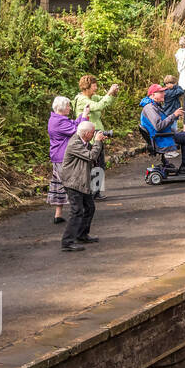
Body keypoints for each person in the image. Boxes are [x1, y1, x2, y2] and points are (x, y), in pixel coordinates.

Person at [60, 121, 106, 252]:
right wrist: (97, 142)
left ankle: (82, 235)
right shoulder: (75, 143)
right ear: (86, 133)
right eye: (92, 133)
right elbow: (91, 156)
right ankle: (67, 242)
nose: (93, 135)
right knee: (77, 211)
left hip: (82, 181)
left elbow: (96, 154)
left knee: (90, 207)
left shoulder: (83, 141)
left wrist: (100, 142)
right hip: (73, 182)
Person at [74, 74, 118, 197]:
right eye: (94, 86)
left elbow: (105, 101)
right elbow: (99, 106)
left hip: (97, 134)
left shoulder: (92, 96)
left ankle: (96, 191)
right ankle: (90, 191)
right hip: (88, 136)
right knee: (92, 163)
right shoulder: (82, 100)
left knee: (100, 164)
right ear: (87, 87)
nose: (96, 88)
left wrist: (113, 94)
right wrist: (109, 93)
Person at [48, 96, 88, 225]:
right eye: (68, 106)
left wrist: (83, 115)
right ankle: (76, 214)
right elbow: (78, 131)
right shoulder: (59, 122)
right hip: (63, 157)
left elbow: (74, 124)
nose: (70, 108)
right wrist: (84, 116)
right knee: (70, 185)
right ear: (63, 107)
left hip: (58, 156)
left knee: (59, 185)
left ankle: (58, 215)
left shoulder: (57, 119)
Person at [141, 84, 185, 164]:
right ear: (153, 95)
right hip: (160, 138)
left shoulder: (154, 105)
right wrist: (174, 115)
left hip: (162, 135)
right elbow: (158, 126)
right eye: (161, 92)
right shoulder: (150, 108)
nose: (164, 94)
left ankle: (172, 164)